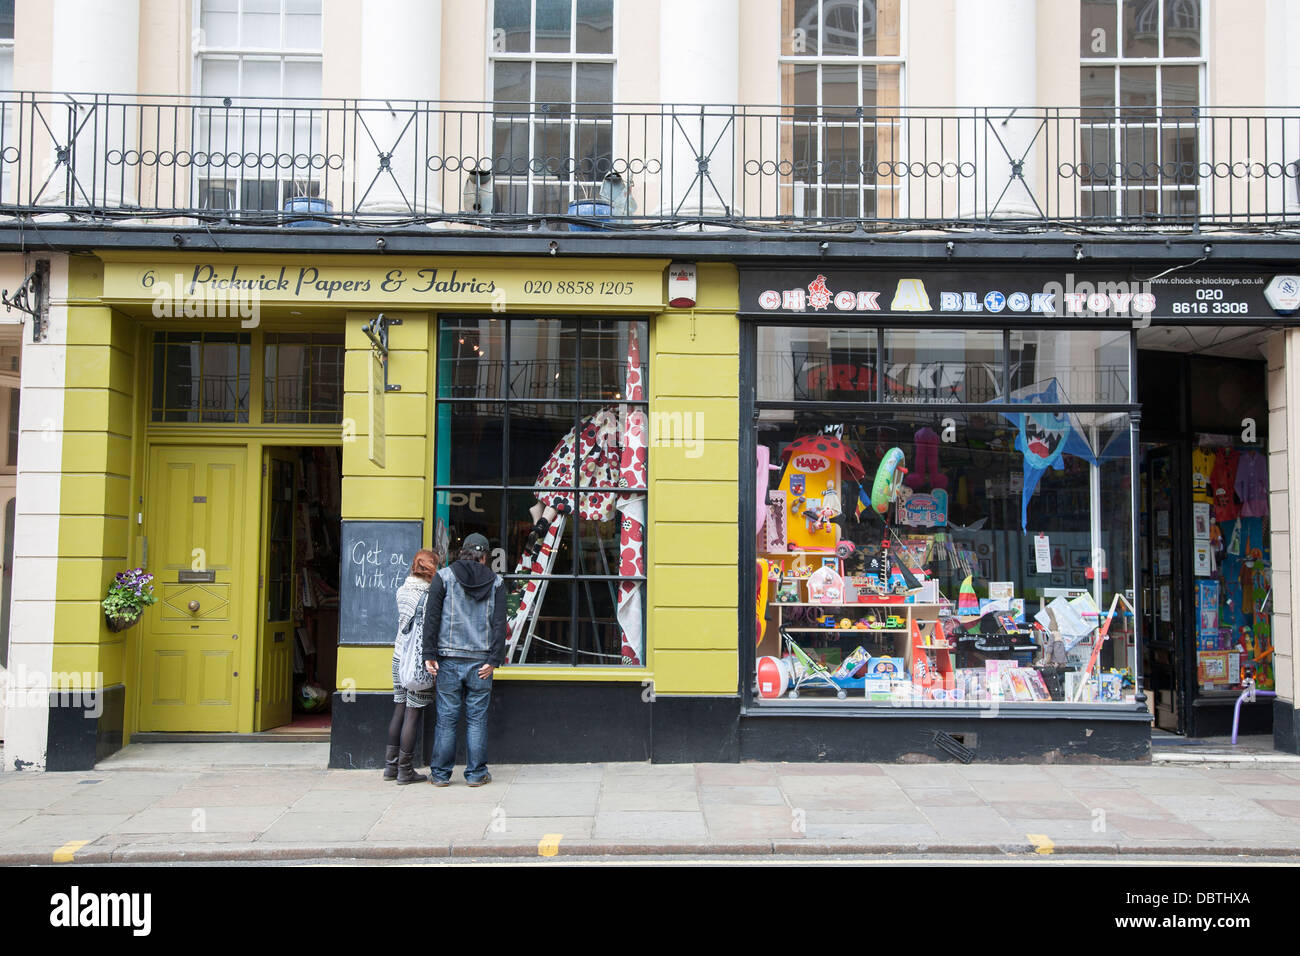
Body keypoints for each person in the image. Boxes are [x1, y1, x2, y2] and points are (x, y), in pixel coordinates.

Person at [422, 532, 506, 787]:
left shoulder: (444, 577)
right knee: (477, 718)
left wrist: (429, 654)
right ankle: (476, 774)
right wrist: (494, 659)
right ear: (483, 557)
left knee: (446, 718)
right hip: (481, 662)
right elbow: (500, 624)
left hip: (448, 659)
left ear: (463, 552)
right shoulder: (497, 583)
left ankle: (440, 775)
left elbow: (432, 619)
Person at [385, 548, 440, 784]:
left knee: (399, 707)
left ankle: (390, 766)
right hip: (418, 662)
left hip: (398, 657)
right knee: (413, 712)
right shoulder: (428, 596)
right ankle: (405, 770)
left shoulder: (402, 591)